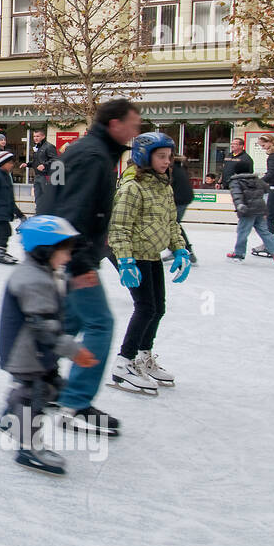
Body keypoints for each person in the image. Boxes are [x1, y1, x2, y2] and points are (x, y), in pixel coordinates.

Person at [39, 98, 142, 438]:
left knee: (72, 321)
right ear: (115, 124)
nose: (136, 130)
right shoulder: (94, 156)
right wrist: (81, 261)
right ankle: (76, 404)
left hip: (70, 254)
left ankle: (41, 380)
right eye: (133, 123)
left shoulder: (93, 151)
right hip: (74, 257)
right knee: (100, 323)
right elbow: (73, 209)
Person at [0, 216, 98, 476]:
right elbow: (45, 328)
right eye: (64, 252)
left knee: (48, 387)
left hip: (34, 351)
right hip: (27, 352)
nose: (67, 258)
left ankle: (9, 417)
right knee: (35, 396)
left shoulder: (41, 272)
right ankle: (29, 448)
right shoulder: (33, 280)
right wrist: (76, 352)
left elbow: (51, 296)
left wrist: (75, 283)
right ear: (45, 250)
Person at [107, 133, 191, 395]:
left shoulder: (164, 185)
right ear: (145, 156)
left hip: (153, 255)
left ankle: (144, 356)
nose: (168, 161)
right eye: (162, 156)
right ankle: (124, 362)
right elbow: (118, 227)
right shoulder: (132, 186)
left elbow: (171, 223)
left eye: (170, 156)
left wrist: (180, 249)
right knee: (144, 308)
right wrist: (125, 260)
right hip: (136, 255)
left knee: (158, 308)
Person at [226, 162, 274, 264]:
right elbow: (267, 190)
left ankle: (239, 254)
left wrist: (240, 205)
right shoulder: (257, 180)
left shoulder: (236, 181)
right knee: (264, 231)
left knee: (243, 232)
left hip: (247, 211)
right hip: (260, 210)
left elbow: (237, 195)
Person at [168, 153, 197, 265]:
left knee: (173, 225)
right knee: (173, 224)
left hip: (179, 199)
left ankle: (186, 251)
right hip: (183, 198)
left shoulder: (172, 169)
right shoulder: (178, 167)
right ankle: (178, 249)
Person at [28, 129, 58, 214]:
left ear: (43, 136)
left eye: (37, 136)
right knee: (38, 197)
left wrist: (44, 165)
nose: (35, 138)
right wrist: (27, 164)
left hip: (46, 176)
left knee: (47, 197)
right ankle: (39, 214)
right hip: (37, 176)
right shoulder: (37, 147)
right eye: (34, 136)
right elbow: (36, 162)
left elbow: (55, 159)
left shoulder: (49, 146)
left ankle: (49, 214)